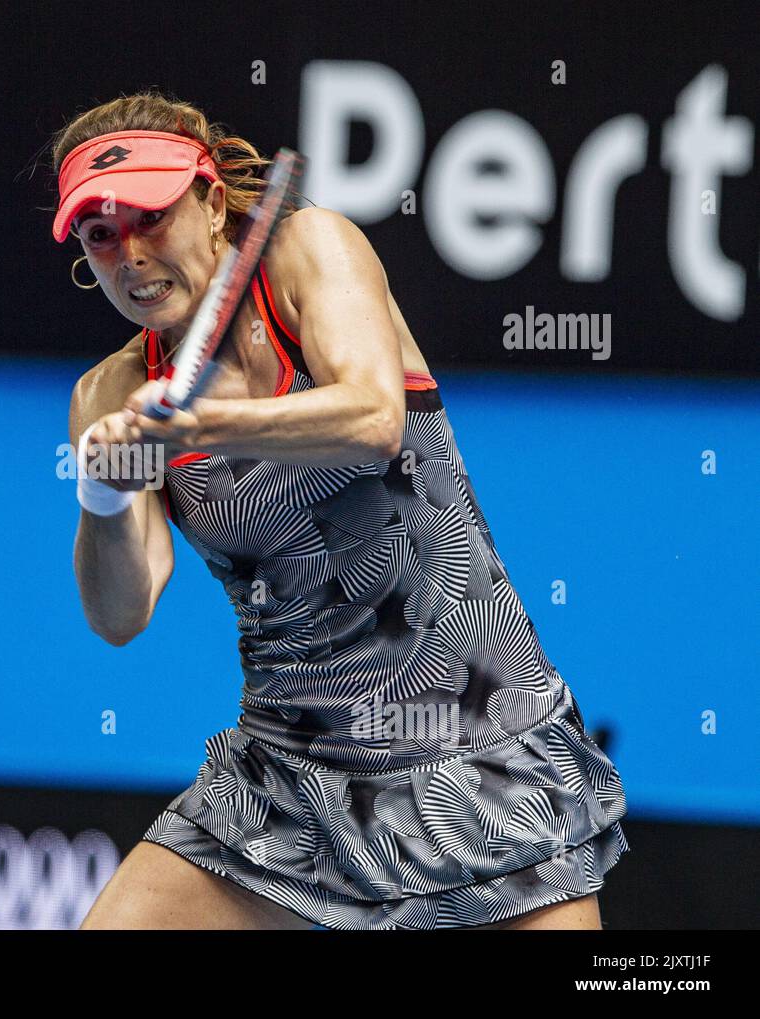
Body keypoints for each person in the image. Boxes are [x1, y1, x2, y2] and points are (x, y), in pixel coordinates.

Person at [56, 92, 629, 930]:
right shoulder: (109, 392)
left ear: (213, 203)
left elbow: (371, 418)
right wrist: (103, 494)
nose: (130, 254)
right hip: (287, 776)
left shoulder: (310, 252)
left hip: (480, 745)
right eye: (100, 234)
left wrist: (205, 422)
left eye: (150, 216)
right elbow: (123, 609)